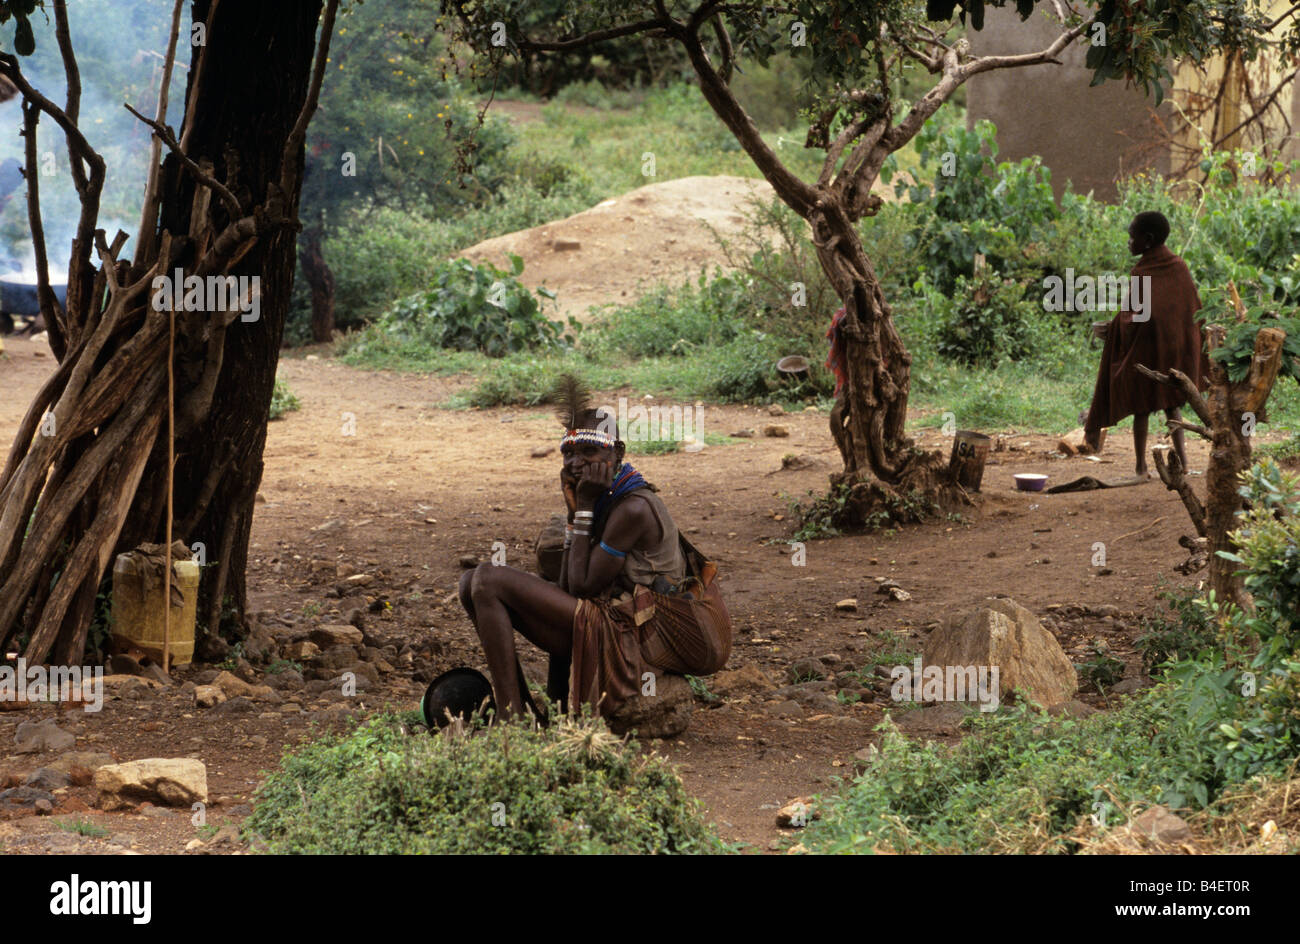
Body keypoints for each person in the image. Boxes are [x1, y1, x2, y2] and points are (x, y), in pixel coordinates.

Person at [458, 375, 731, 720]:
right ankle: (522, 707)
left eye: (589, 451)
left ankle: (511, 718)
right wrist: (576, 514)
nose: (576, 463)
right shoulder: (604, 499)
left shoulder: (632, 508)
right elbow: (570, 588)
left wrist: (582, 509)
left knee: (487, 579)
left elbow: (584, 588)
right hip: (613, 624)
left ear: (617, 452)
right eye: (569, 453)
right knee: (470, 583)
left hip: (637, 637)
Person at [1083, 211, 1207, 477]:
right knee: (1171, 402)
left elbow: (1133, 316)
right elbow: (1190, 312)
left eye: (1132, 237)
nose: (1128, 242)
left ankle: (1141, 467)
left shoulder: (1142, 271)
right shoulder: (1179, 266)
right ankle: (1184, 464)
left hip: (1150, 349)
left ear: (1147, 239)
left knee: (1142, 406)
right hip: (1174, 349)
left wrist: (1112, 328)